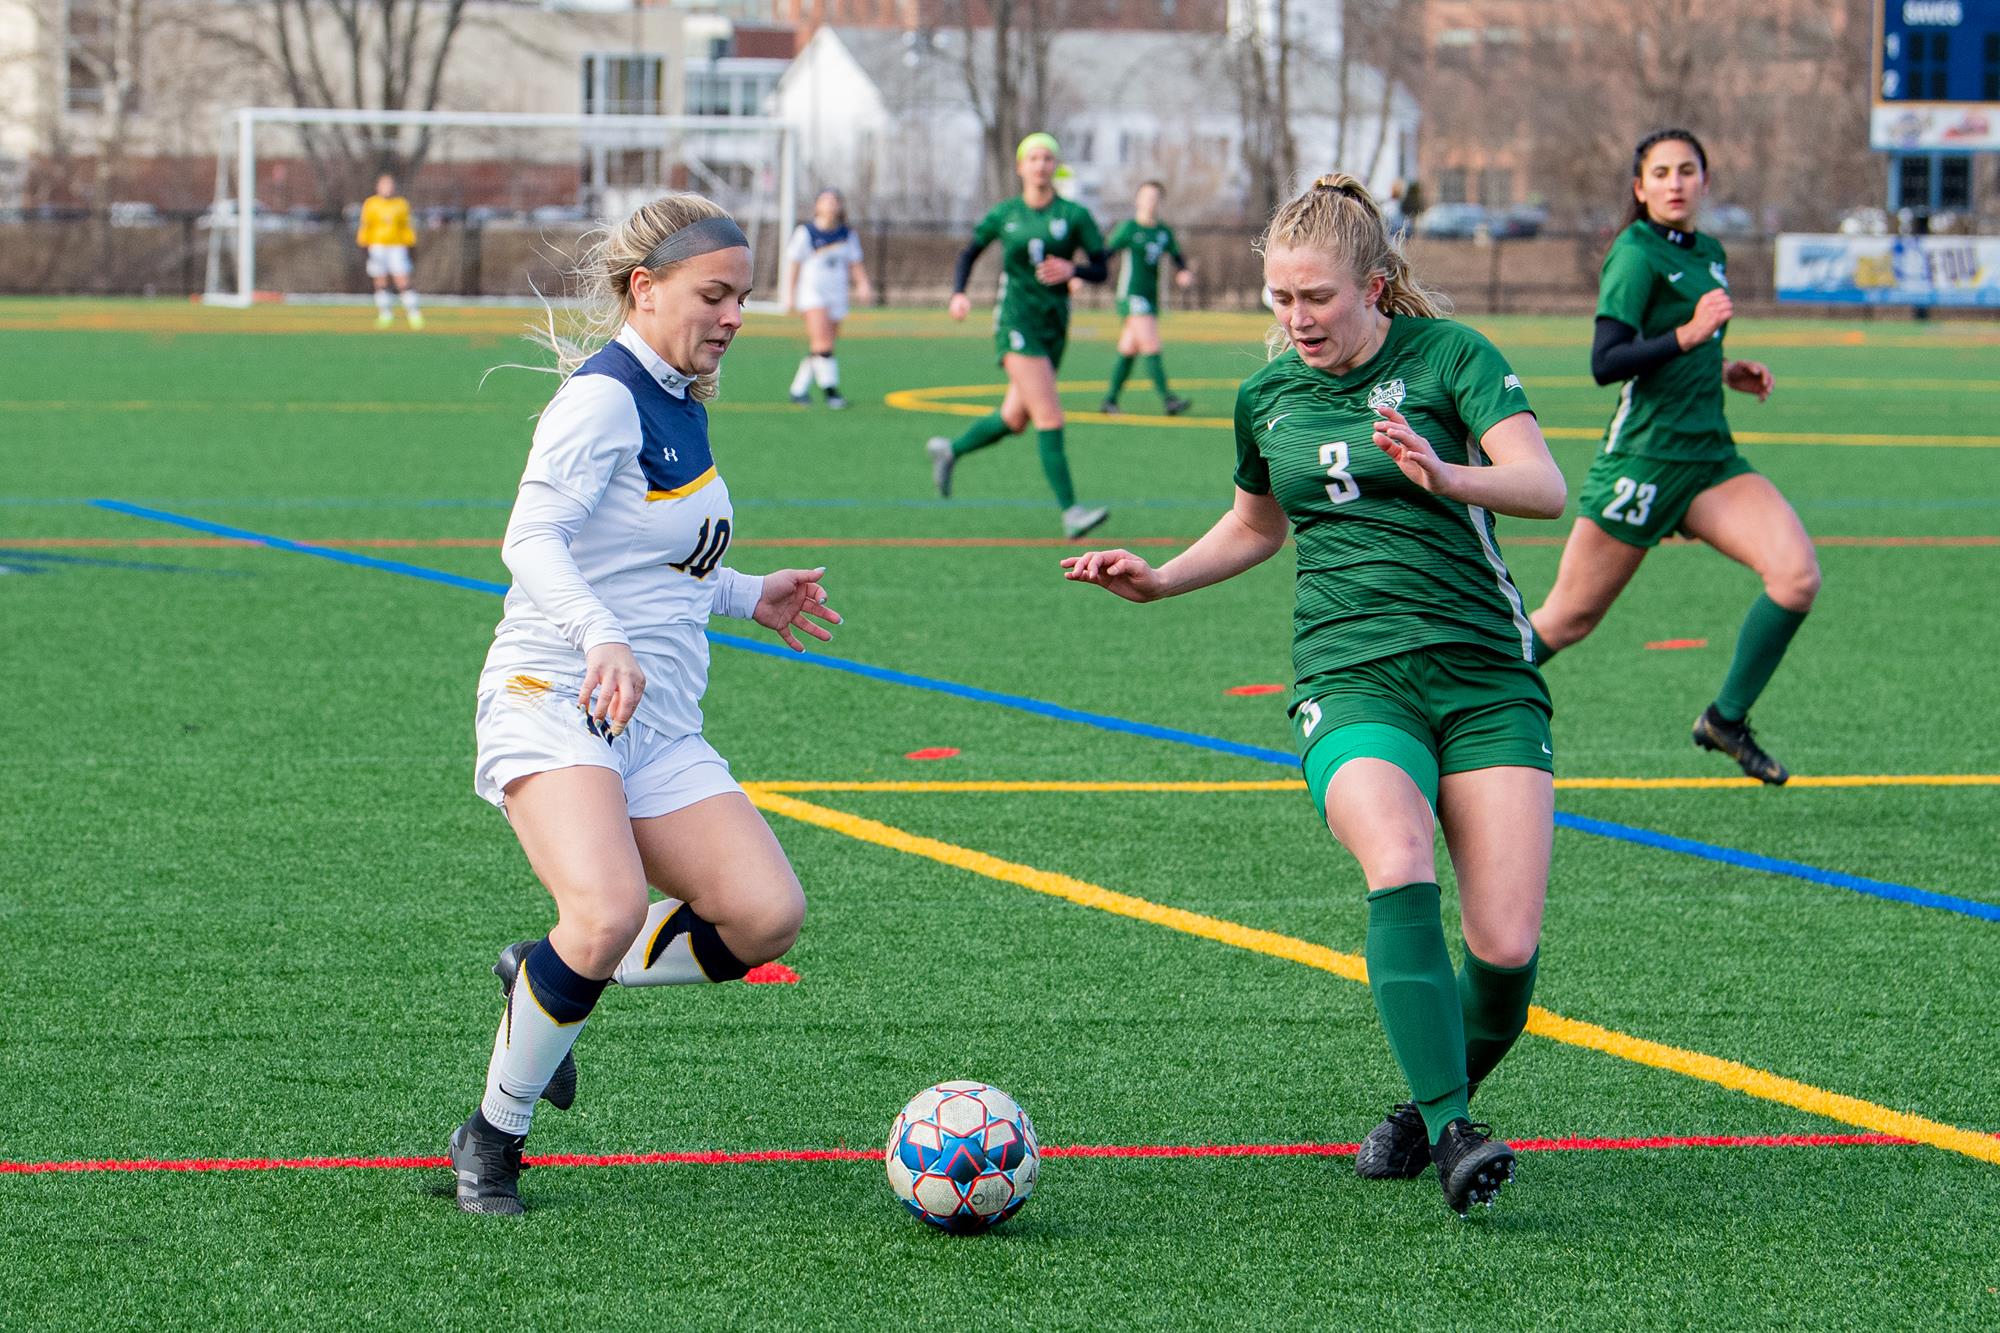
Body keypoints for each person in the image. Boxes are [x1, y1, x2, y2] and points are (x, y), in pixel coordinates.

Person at [1062, 173, 1565, 1218]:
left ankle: (1423, 1108)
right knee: (1396, 856)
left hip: (1482, 676)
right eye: (1279, 301)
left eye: (1316, 300)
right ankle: (1454, 1128)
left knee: (1505, 948)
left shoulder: (1450, 358)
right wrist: (1156, 578)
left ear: (1374, 287)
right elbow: (1254, 523)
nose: (1295, 321)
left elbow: (1543, 488)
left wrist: (1447, 475)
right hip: (1348, 674)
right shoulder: (1267, 396)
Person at [450, 193, 843, 1215]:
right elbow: (527, 542)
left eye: (743, 297)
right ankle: (493, 1132)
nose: (735, 316)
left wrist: (748, 592)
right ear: (645, 287)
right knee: (608, 908)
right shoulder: (602, 399)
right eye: (715, 294)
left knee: (763, 916)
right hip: (555, 692)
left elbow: (659, 562)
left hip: (656, 718)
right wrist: (600, 635)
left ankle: (544, 978)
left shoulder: (679, 396)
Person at [1528, 128, 1815, 784]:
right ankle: (1463, 703)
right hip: (1644, 462)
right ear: (1640, 188)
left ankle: (1726, 719)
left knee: (1796, 576)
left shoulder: (1709, 252)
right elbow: (1608, 362)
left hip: (1709, 459)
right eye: (1661, 173)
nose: (1675, 183)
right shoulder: (1635, 253)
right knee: (1568, 618)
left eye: (1687, 170)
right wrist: (1690, 335)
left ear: (1705, 181)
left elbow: (1679, 352)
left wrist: (1722, 368)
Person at [925, 132, 1112, 540]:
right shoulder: (1005, 214)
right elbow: (969, 252)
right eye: (1034, 158)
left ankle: (950, 450)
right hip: (1015, 325)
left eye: (1048, 158)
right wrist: (959, 293)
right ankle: (1071, 511)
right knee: (1049, 415)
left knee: (1014, 419)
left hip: (1053, 327)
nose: (1041, 165)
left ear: (1055, 166)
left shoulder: (1075, 215)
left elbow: (1101, 269)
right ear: (1020, 166)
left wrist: (1073, 270)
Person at [1100, 180, 1195, 417]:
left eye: (1155, 198)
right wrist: (1082, 276)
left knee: (1129, 348)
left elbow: (1177, 256)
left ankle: (1110, 400)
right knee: (1151, 344)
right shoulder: (1128, 229)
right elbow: (1105, 253)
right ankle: (1168, 399)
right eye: (1146, 197)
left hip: (1150, 297)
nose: (1150, 202)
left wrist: (1183, 272)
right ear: (1138, 200)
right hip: (1131, 295)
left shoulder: (1162, 232)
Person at [783, 188, 873, 409]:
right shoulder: (806, 233)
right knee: (823, 343)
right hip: (813, 294)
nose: (830, 205)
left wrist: (863, 285)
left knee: (823, 346)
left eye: (834, 201)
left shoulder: (846, 234)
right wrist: (789, 293)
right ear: (817, 206)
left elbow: (855, 263)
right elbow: (793, 265)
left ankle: (798, 389)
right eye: (825, 201)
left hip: (837, 295)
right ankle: (831, 392)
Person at [356, 173, 423, 330]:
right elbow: (366, 225)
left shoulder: (401, 204)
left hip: (396, 246)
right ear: (378, 187)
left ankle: (414, 314)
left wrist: (411, 243)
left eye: (390, 185)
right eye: (384, 185)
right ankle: (385, 314)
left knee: (402, 279)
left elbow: (407, 227)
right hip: (377, 246)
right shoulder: (371, 204)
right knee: (380, 280)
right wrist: (363, 243)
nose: (387, 188)